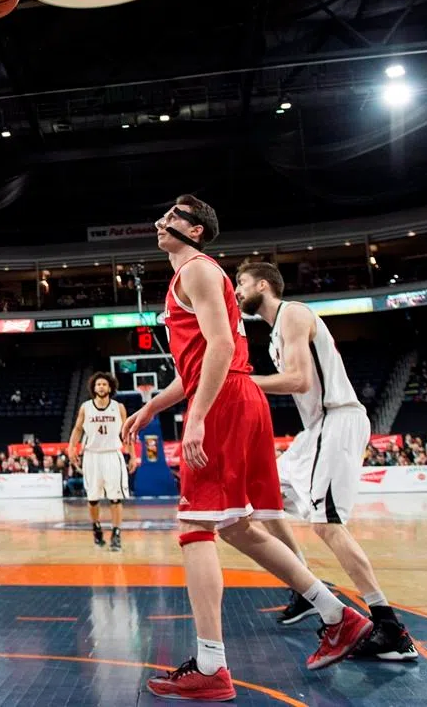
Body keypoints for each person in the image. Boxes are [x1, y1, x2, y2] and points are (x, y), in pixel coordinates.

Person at [122, 196, 371, 701]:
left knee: (195, 526)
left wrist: (195, 416)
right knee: (237, 525)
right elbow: (198, 362)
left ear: (193, 229)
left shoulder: (194, 269)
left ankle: (211, 664)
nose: (160, 220)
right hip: (238, 395)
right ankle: (336, 614)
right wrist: (153, 407)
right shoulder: (194, 274)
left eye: (171, 215)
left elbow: (219, 347)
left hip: (228, 398)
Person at [234, 262, 416, 660]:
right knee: (263, 497)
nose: (235, 291)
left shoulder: (293, 313)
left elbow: (298, 380)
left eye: (241, 283)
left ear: (262, 285)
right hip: (315, 429)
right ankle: (304, 587)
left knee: (327, 526)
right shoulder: (273, 336)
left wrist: (239, 382)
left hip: (337, 419)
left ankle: (389, 626)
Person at [67, 372, 136, 551]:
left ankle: (116, 533)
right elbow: (77, 429)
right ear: (93, 388)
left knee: (115, 497)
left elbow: (127, 433)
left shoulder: (118, 407)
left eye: (104, 384)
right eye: (98, 384)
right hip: (91, 456)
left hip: (113, 455)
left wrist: (133, 456)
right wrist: (71, 448)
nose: (101, 387)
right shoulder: (86, 407)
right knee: (93, 498)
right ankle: (96, 527)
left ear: (110, 387)